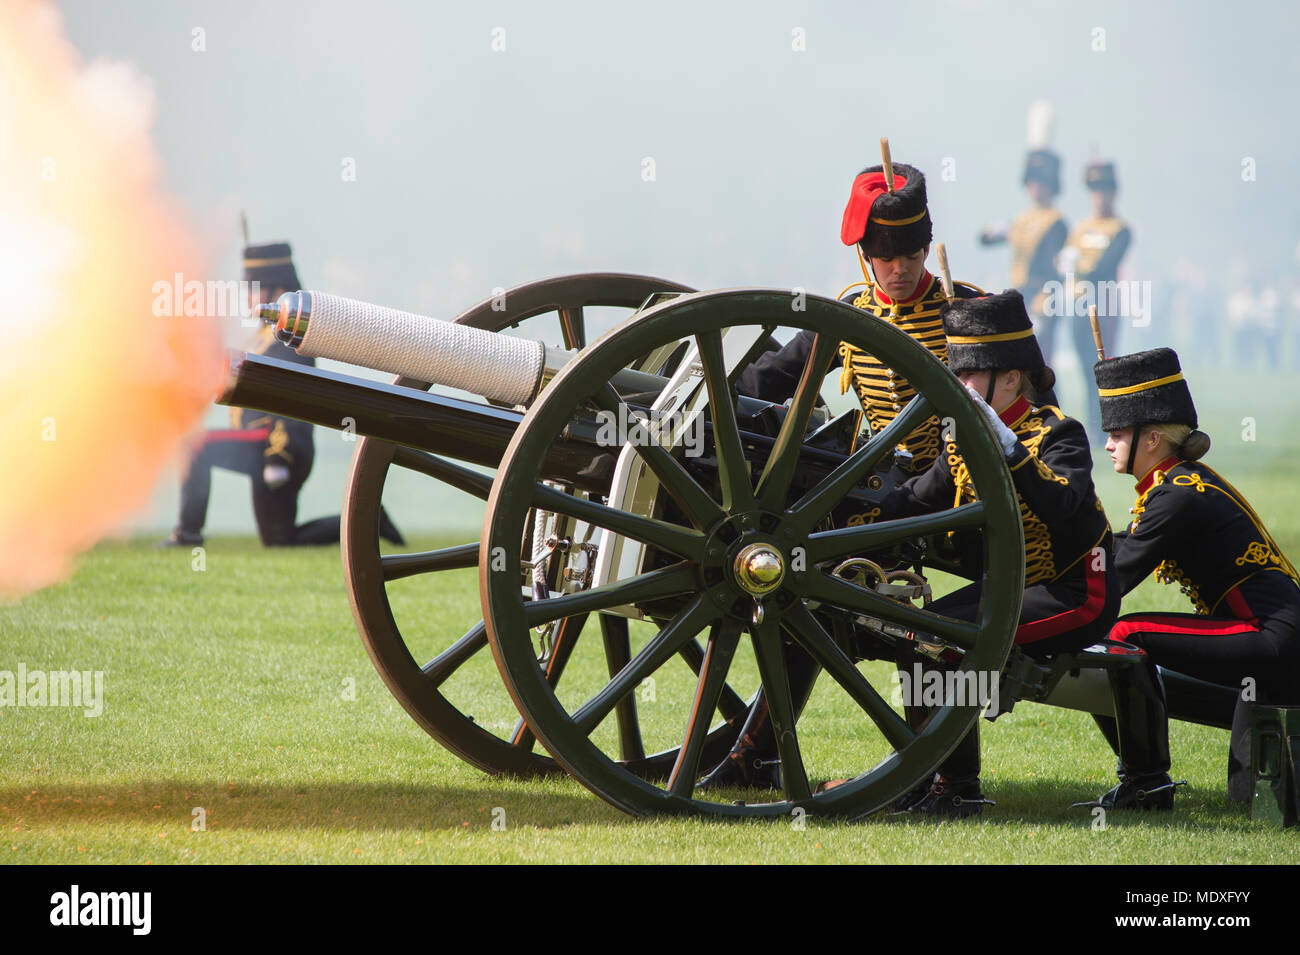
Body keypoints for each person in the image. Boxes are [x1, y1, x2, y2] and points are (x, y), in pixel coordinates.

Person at [699, 159, 984, 790]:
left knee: (889, 616)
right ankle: (759, 756)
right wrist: (699, 398)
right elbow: (768, 378)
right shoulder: (851, 314)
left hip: (962, 497)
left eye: (910, 252)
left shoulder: (970, 314)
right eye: (887, 256)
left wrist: (921, 492)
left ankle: (945, 779)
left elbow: (1013, 406)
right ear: (865, 258)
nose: (902, 268)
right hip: (882, 495)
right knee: (802, 597)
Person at [875, 289, 1121, 816]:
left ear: (1009, 378)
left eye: (970, 377)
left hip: (1076, 591)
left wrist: (1007, 445)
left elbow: (1061, 504)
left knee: (943, 640)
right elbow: (918, 498)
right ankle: (927, 774)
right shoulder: (963, 440)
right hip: (1016, 589)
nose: (959, 388)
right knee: (921, 630)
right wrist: (850, 503)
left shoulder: (1060, 434)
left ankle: (957, 789)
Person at [1094, 347, 1300, 802]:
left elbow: (1117, 573)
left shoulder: (1176, 496)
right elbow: (1122, 547)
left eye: (1116, 433)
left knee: (1122, 632)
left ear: (1151, 440)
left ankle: (1146, 782)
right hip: (1275, 637)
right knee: (1254, 803)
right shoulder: (1181, 482)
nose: (1108, 444)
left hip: (1269, 636)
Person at [160, 241, 402, 548]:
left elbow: (292, 403)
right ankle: (373, 521)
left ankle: (187, 534)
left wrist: (279, 455)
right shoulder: (265, 337)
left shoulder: (289, 340)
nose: (248, 298)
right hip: (262, 444)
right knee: (280, 540)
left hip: (274, 444)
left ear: (276, 291)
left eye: (254, 289)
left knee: (196, 447)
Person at [1061, 160, 1132, 435]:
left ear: (1114, 193)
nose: (1100, 196)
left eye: (1105, 190)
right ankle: (1092, 426)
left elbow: (1104, 266)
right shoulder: (1080, 227)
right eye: (1096, 190)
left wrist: (1076, 266)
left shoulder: (1121, 228)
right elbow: (1064, 259)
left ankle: (1107, 425)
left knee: (1104, 367)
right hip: (1079, 303)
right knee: (1085, 368)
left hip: (1104, 303)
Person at [979, 148, 1067, 360]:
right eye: (1032, 182)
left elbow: (1056, 267)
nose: (1035, 187)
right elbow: (984, 239)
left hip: (1043, 296)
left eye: (1040, 182)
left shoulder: (1056, 221)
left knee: (1043, 359)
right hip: (1021, 293)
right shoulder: (1021, 220)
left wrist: (1045, 299)